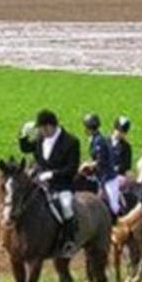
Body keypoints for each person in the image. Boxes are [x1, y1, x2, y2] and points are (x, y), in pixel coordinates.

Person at [18, 109, 81, 258]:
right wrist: (23, 134)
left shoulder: (71, 142)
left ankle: (68, 242)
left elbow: (72, 168)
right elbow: (25, 148)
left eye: (43, 128)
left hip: (62, 185)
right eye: (39, 129)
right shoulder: (41, 138)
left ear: (50, 126)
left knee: (66, 207)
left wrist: (52, 174)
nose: (41, 132)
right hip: (41, 184)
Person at [82, 113, 122, 217]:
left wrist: (87, 164)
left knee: (114, 206)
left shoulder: (99, 141)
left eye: (86, 127)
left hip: (108, 177)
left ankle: (121, 221)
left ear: (89, 128)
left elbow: (100, 161)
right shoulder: (94, 139)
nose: (85, 130)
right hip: (100, 176)